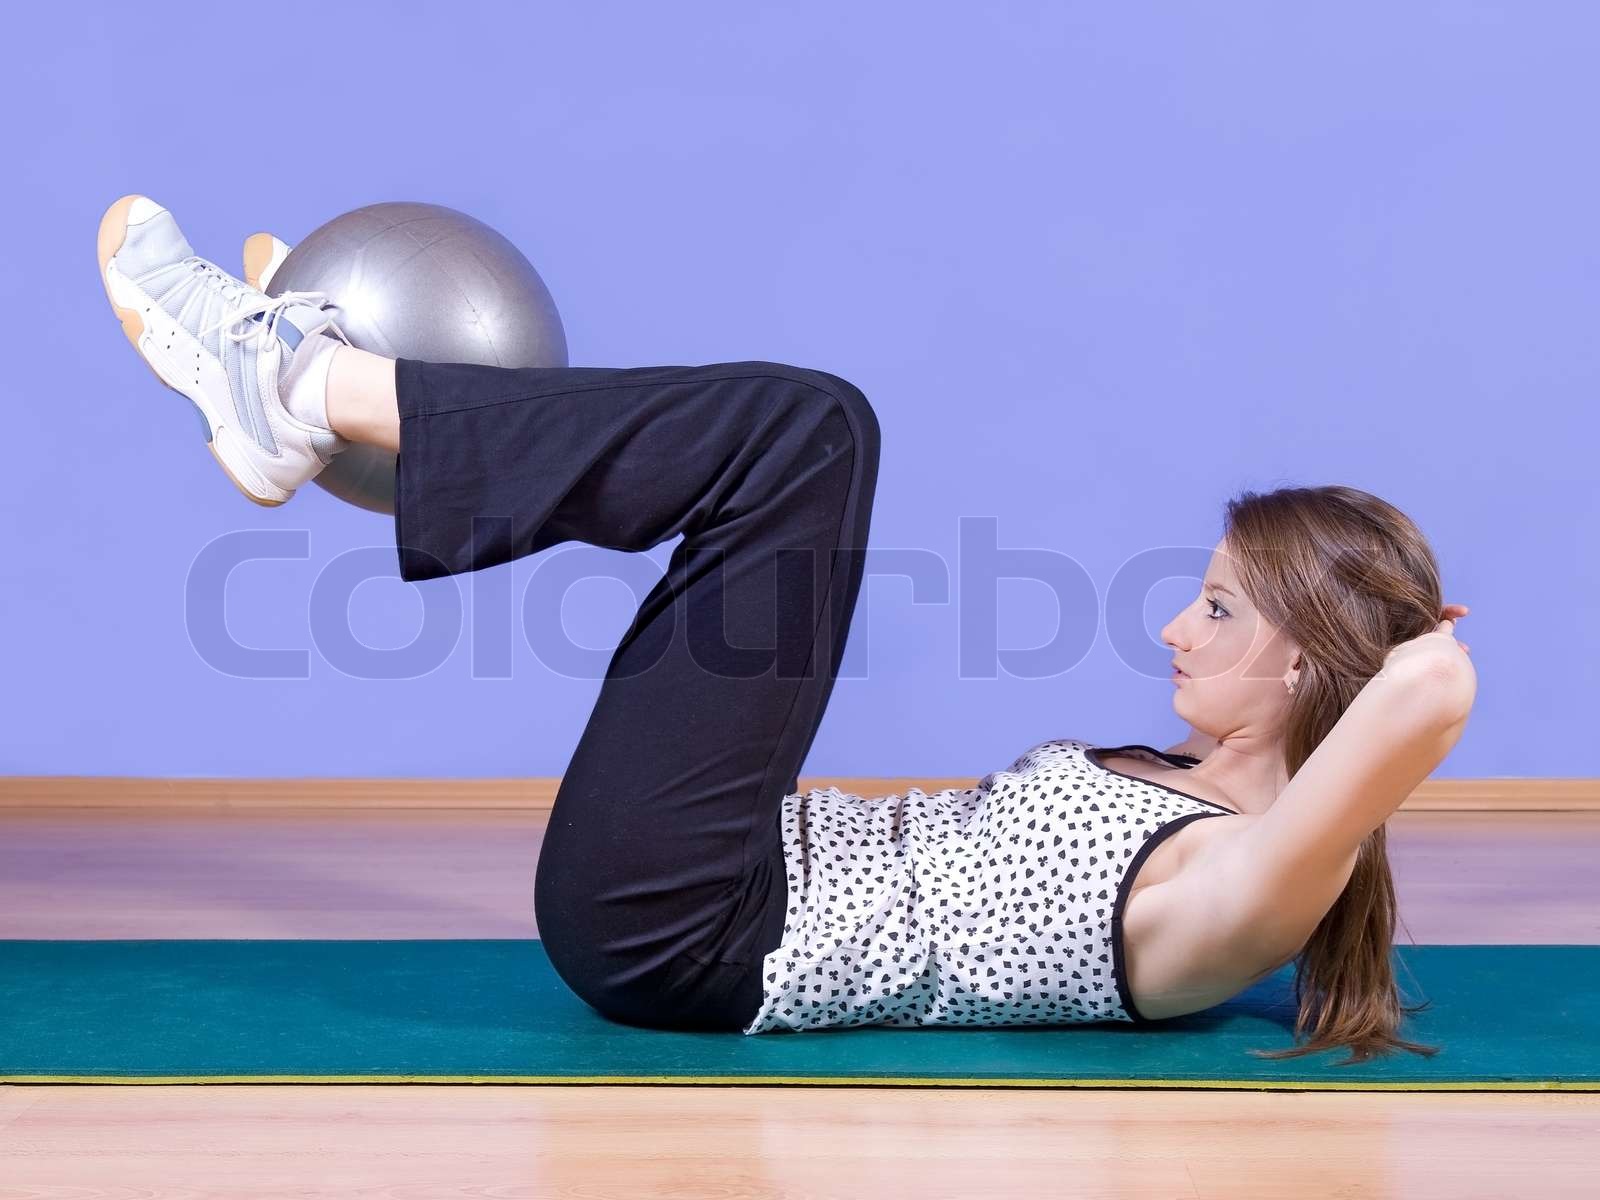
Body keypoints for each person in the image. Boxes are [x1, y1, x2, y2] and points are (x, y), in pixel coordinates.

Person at [96, 196, 1476, 1063]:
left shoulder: (1238, 899)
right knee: (806, 432)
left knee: (809, 432)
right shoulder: (1189, 807)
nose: (1177, 625)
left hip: (697, 928)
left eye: (1223, 606)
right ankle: (346, 384)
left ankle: (304, 383)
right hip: (722, 865)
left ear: (1310, 659)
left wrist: (1418, 652)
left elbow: (1407, 715)